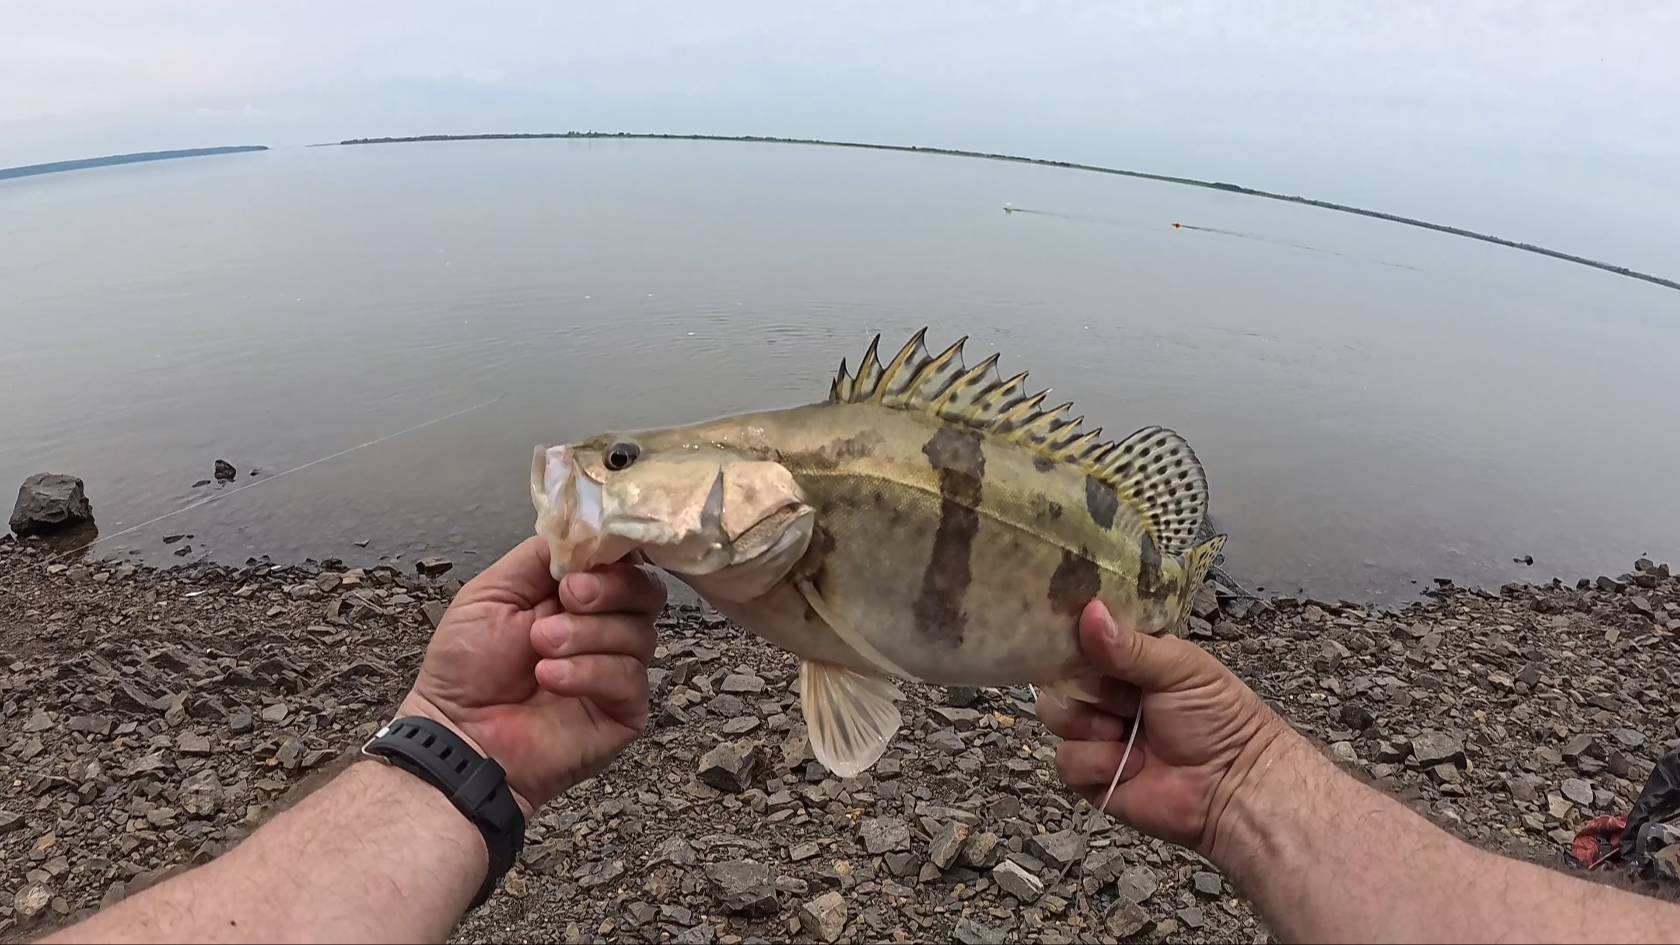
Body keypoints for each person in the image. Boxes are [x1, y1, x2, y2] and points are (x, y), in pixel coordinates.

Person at [39, 538, 1680, 943]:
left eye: (635, 468)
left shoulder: (786, 543)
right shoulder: (755, 557)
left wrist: (442, 745)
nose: (606, 494)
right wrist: (456, 737)